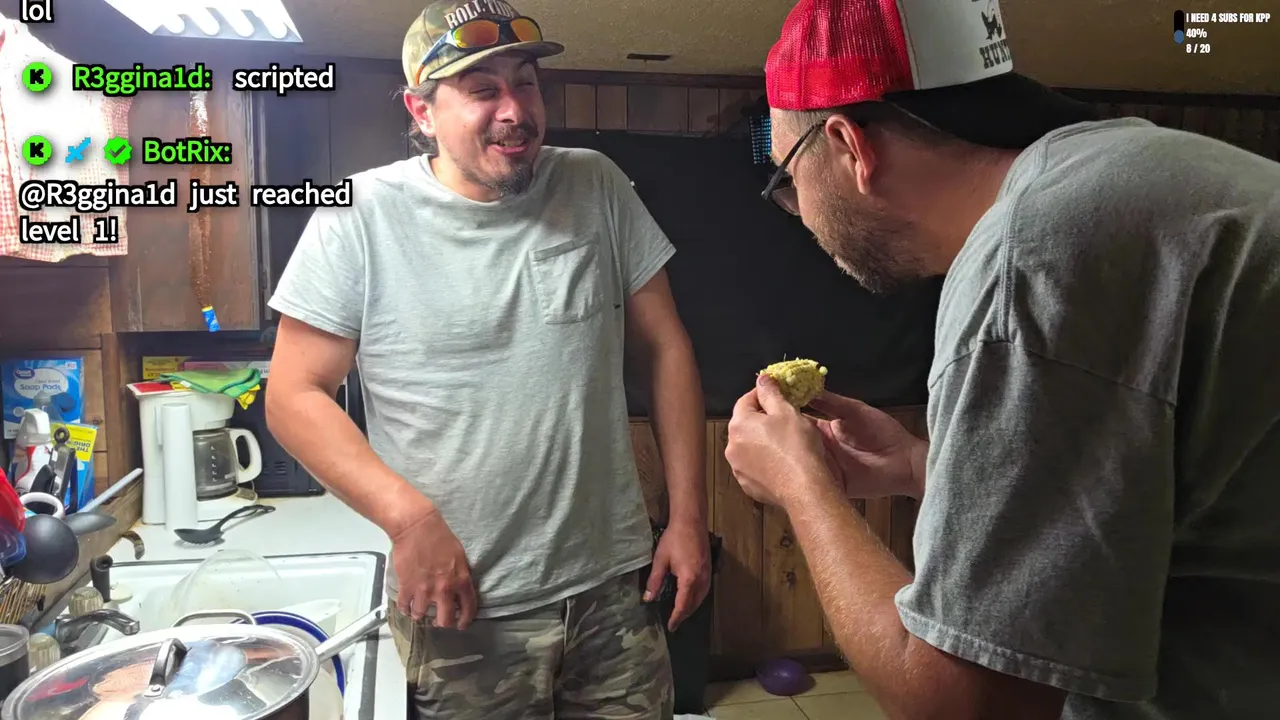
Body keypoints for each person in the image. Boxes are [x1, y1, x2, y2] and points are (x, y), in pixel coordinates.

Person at [724, 0, 1280, 718]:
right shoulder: (1129, 175)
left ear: (849, 147)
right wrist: (920, 466)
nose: (799, 212)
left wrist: (803, 488)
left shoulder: (1032, 258)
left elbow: (965, 705)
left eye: (789, 180)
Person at [264, 1, 711, 716]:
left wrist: (687, 518)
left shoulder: (595, 183)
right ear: (421, 111)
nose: (515, 111)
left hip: (612, 590)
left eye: (525, 83)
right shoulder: (357, 215)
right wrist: (408, 521)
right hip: (462, 605)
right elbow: (292, 395)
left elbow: (666, 346)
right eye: (482, 90)